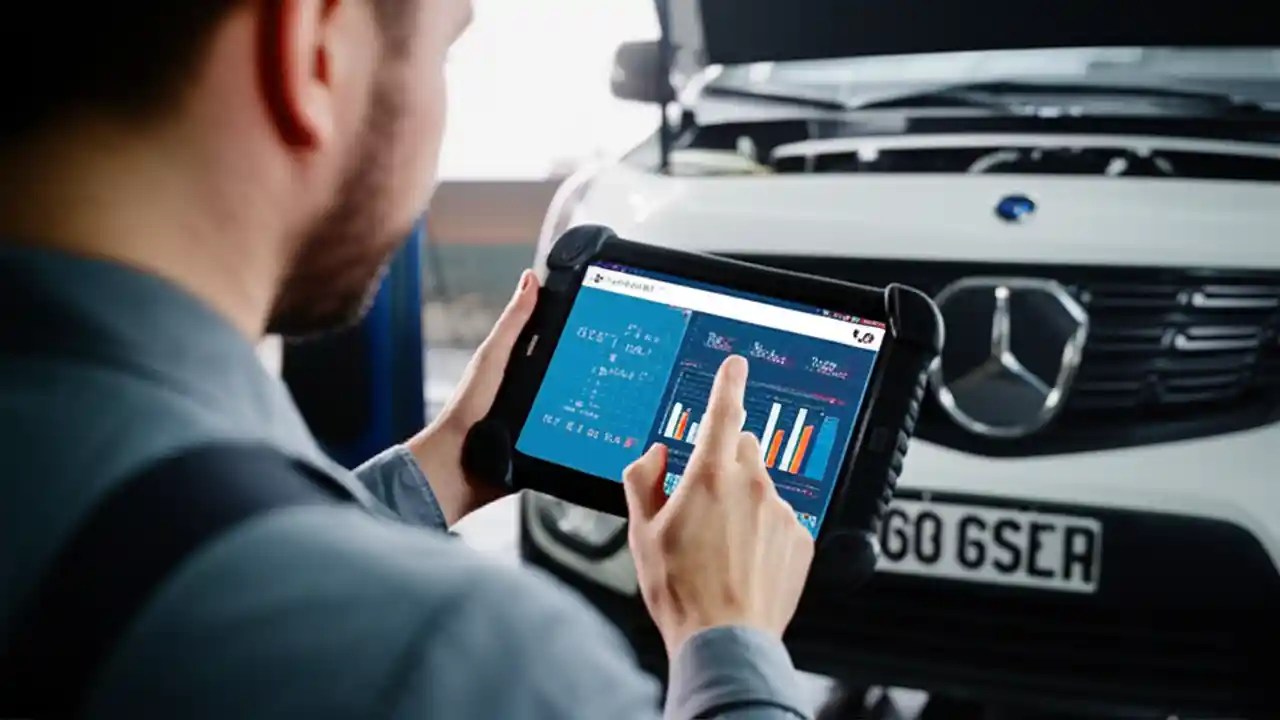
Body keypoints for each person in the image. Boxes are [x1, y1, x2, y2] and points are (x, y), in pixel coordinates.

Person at [0, 0, 818, 718]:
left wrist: (440, 471)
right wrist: (728, 641)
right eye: (443, 52)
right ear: (315, 51)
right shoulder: (469, 662)